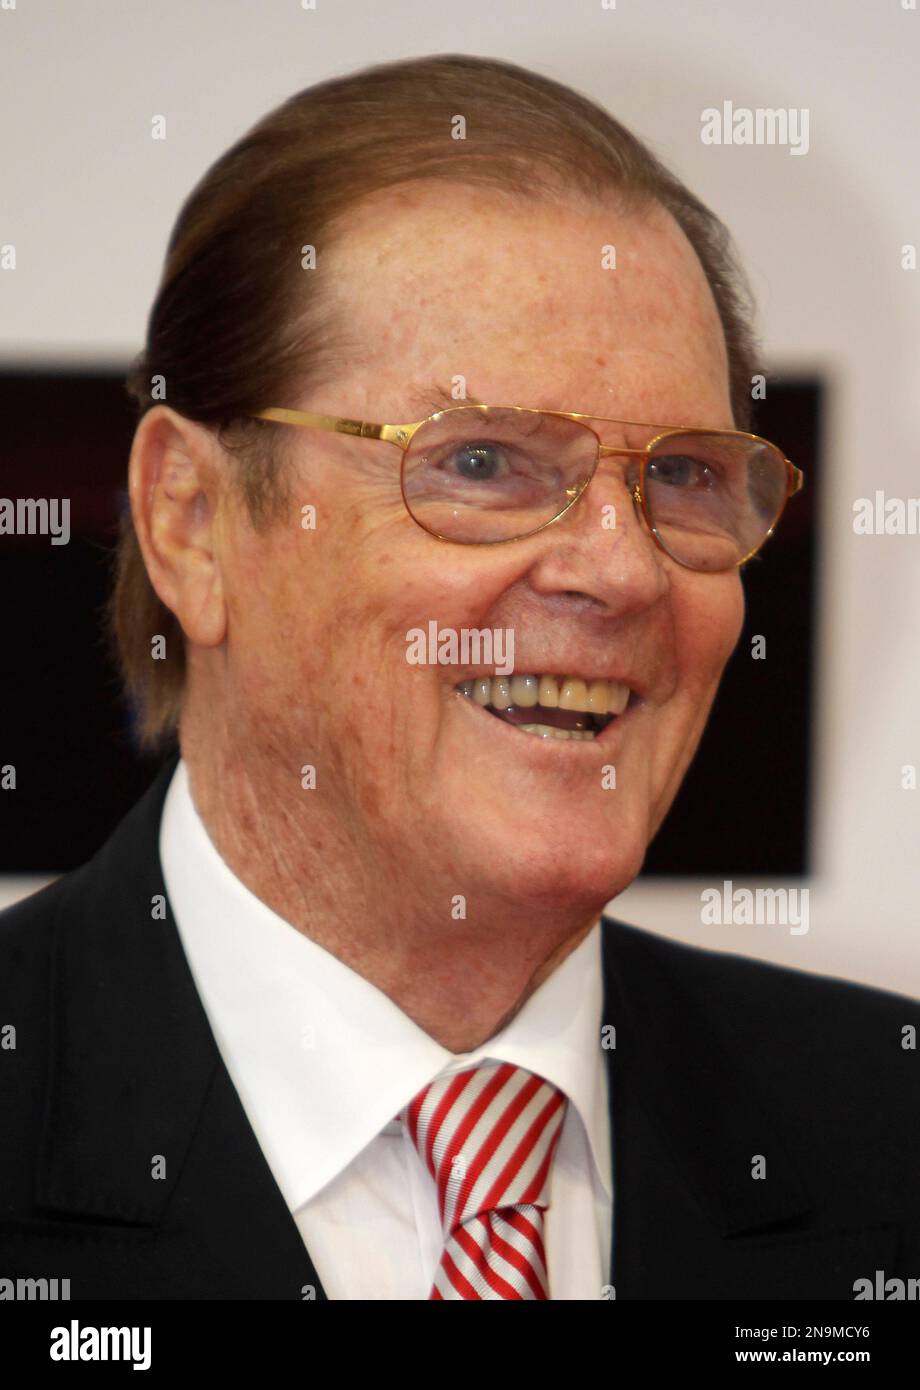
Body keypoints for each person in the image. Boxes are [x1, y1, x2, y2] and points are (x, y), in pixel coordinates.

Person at [1, 53, 917, 1303]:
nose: (622, 570)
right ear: (191, 523)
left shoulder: (886, 1132)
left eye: (682, 478)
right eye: (482, 461)